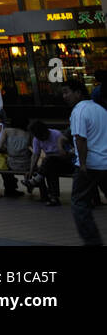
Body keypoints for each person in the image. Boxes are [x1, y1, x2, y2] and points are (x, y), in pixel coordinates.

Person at [63, 79, 107, 245]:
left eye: (67, 92)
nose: (64, 96)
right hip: (105, 162)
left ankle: (92, 241)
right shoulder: (100, 110)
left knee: (79, 203)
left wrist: (82, 164)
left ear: (78, 93)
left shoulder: (79, 111)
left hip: (91, 164)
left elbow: (80, 138)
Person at [28, 120, 73, 205]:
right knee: (50, 168)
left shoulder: (57, 135)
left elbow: (67, 153)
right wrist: (31, 171)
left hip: (66, 163)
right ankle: (54, 198)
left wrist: (54, 156)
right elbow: (35, 155)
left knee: (49, 160)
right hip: (52, 165)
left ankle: (38, 180)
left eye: (41, 136)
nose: (40, 138)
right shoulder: (36, 139)